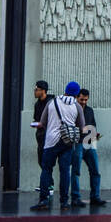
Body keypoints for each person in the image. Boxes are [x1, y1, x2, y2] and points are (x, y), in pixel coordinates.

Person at [30, 80, 86, 211]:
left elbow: (42, 122)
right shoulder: (77, 106)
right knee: (65, 171)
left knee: (46, 170)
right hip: (67, 142)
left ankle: (43, 200)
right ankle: (64, 202)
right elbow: (82, 126)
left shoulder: (52, 102)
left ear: (65, 90)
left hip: (50, 142)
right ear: (77, 94)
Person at [71, 88, 107, 207]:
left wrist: (95, 136)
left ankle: (95, 197)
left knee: (95, 171)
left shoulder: (90, 110)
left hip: (90, 143)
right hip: (78, 143)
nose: (84, 102)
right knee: (76, 171)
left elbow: (93, 125)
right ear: (77, 97)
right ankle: (75, 198)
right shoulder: (72, 110)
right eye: (82, 99)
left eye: (86, 100)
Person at [31, 80, 50, 168]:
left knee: (47, 162)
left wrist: (43, 124)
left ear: (43, 90)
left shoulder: (51, 102)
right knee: (41, 162)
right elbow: (36, 119)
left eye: (36, 89)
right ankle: (49, 181)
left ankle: (48, 180)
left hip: (50, 136)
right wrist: (36, 123)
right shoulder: (37, 104)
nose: (34, 92)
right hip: (41, 136)